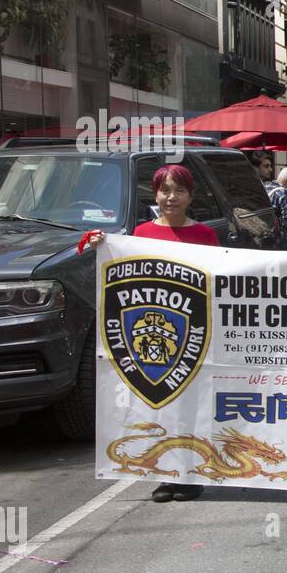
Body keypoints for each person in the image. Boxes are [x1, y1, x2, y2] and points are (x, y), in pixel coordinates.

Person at [82, 164, 219, 502]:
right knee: (157, 409)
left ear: (190, 195)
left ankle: (190, 475)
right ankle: (164, 474)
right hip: (148, 335)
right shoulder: (141, 234)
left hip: (193, 333)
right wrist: (101, 242)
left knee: (191, 405)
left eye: (179, 190)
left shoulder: (205, 235)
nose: (171, 197)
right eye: (164, 190)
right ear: (155, 194)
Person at [251, 152, 287, 249]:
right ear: (255, 168)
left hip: (264, 240)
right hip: (266, 241)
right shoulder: (251, 189)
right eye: (266, 166)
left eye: (270, 166)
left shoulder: (263, 187)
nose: (271, 169)